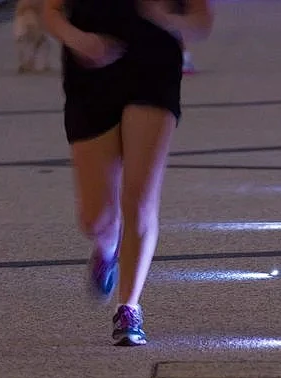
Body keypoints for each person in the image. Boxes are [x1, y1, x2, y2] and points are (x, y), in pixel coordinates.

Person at [43, 0, 214, 345]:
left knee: (138, 198)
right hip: (90, 73)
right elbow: (51, 12)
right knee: (95, 219)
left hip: (154, 68)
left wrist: (164, 18)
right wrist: (79, 40)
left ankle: (129, 308)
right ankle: (108, 247)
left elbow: (202, 20)